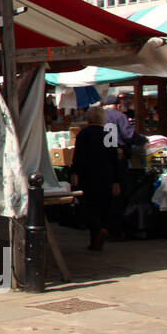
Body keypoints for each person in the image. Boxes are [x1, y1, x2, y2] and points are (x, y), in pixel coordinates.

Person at [70, 104, 121, 251]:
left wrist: (75, 173)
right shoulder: (108, 134)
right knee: (105, 206)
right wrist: (117, 180)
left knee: (90, 207)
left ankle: (97, 233)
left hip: (89, 175)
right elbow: (114, 158)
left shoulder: (83, 134)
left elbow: (78, 156)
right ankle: (102, 230)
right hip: (107, 175)